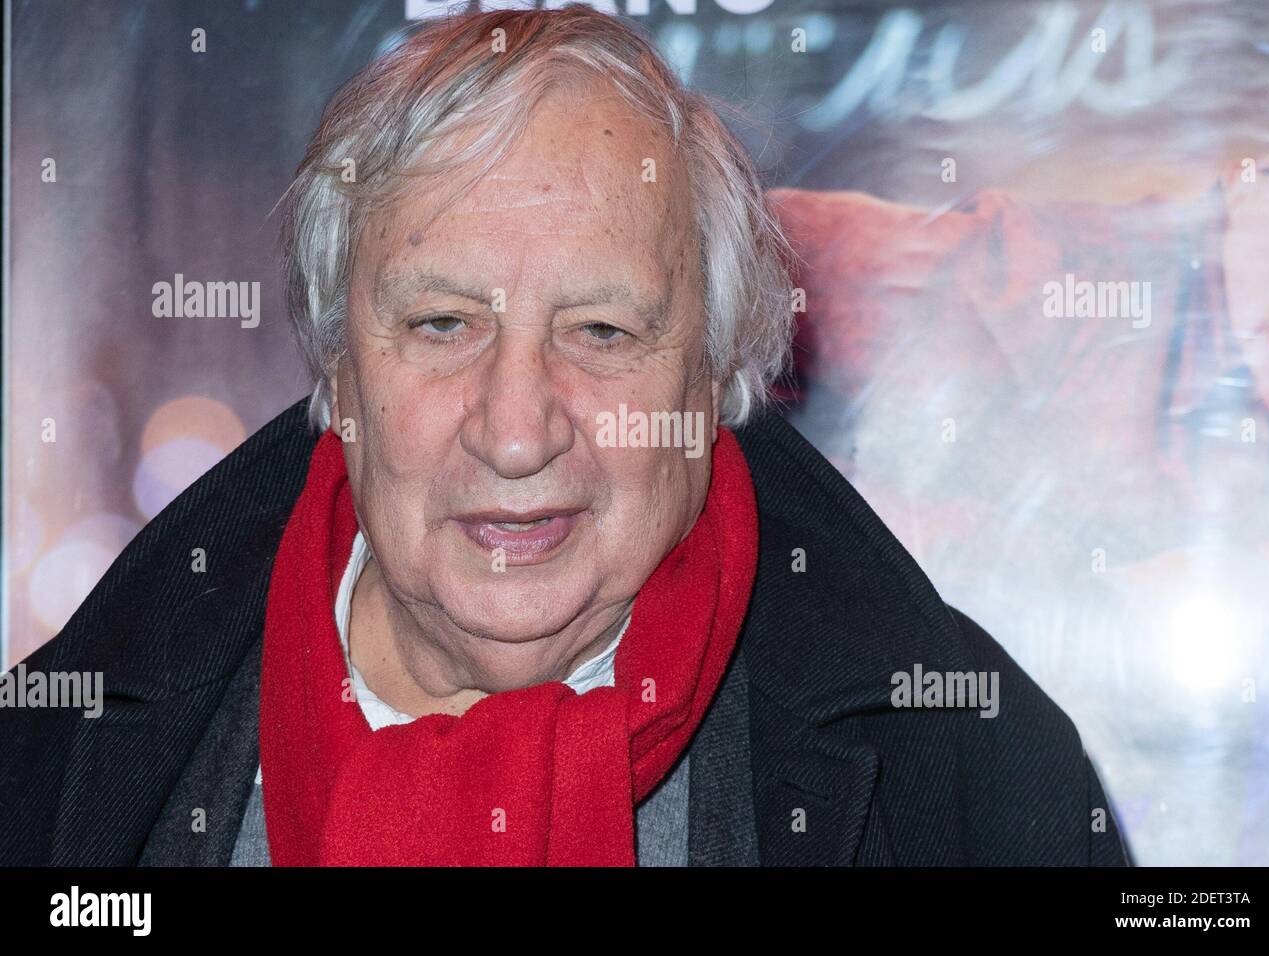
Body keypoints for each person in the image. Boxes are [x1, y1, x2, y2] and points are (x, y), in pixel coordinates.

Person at [0, 5, 1127, 867]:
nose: (515, 428)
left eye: (600, 329)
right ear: (338, 370)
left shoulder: (976, 780)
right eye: (441, 323)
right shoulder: (55, 765)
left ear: (719, 375)